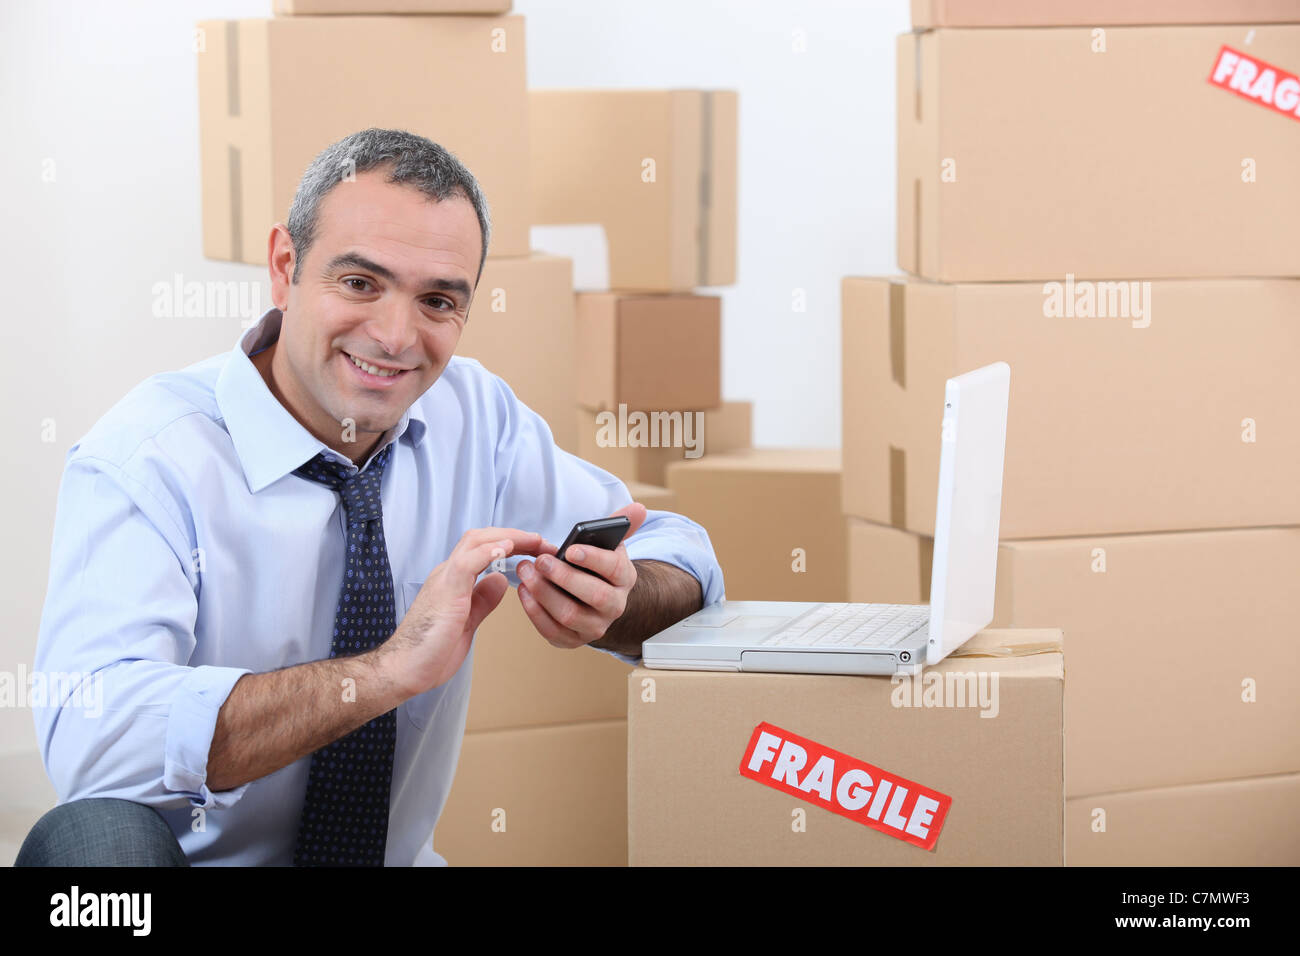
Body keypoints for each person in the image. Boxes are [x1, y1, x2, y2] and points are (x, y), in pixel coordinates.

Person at [18, 128, 725, 867]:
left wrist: (618, 599)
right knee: (90, 850)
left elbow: (685, 562)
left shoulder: (474, 418)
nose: (395, 336)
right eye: (360, 283)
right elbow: (92, 741)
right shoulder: (147, 459)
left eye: (438, 301)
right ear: (285, 269)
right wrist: (385, 673)